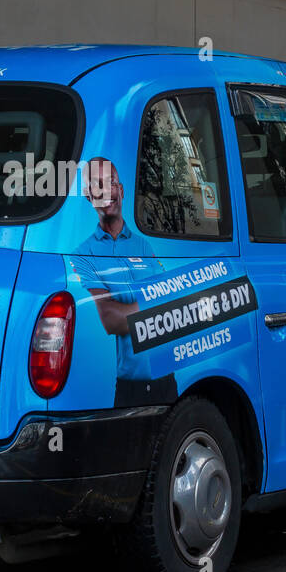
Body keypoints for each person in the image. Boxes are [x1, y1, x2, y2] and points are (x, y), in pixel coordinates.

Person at [70, 157, 178, 407]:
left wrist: (146, 307)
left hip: (167, 382)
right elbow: (111, 319)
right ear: (88, 196)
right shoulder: (83, 254)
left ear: (121, 190)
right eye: (98, 185)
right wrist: (156, 305)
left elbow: (170, 302)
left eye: (111, 182)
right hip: (132, 388)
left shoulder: (144, 244)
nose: (106, 190)